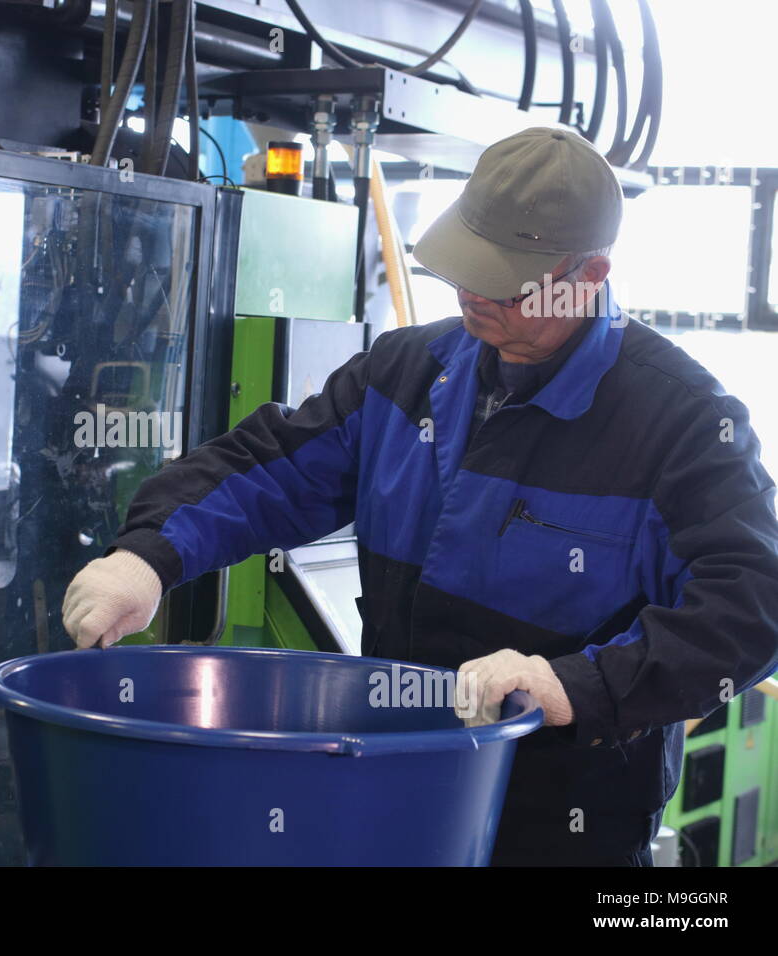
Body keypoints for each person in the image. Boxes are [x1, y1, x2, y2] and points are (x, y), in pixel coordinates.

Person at [60, 127, 778, 866]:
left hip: (563, 820)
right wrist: (149, 554)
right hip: (397, 785)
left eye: (501, 284)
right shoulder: (406, 371)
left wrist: (579, 686)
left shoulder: (683, 425)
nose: (471, 297)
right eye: (464, 269)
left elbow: (751, 608)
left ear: (589, 275)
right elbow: (271, 469)